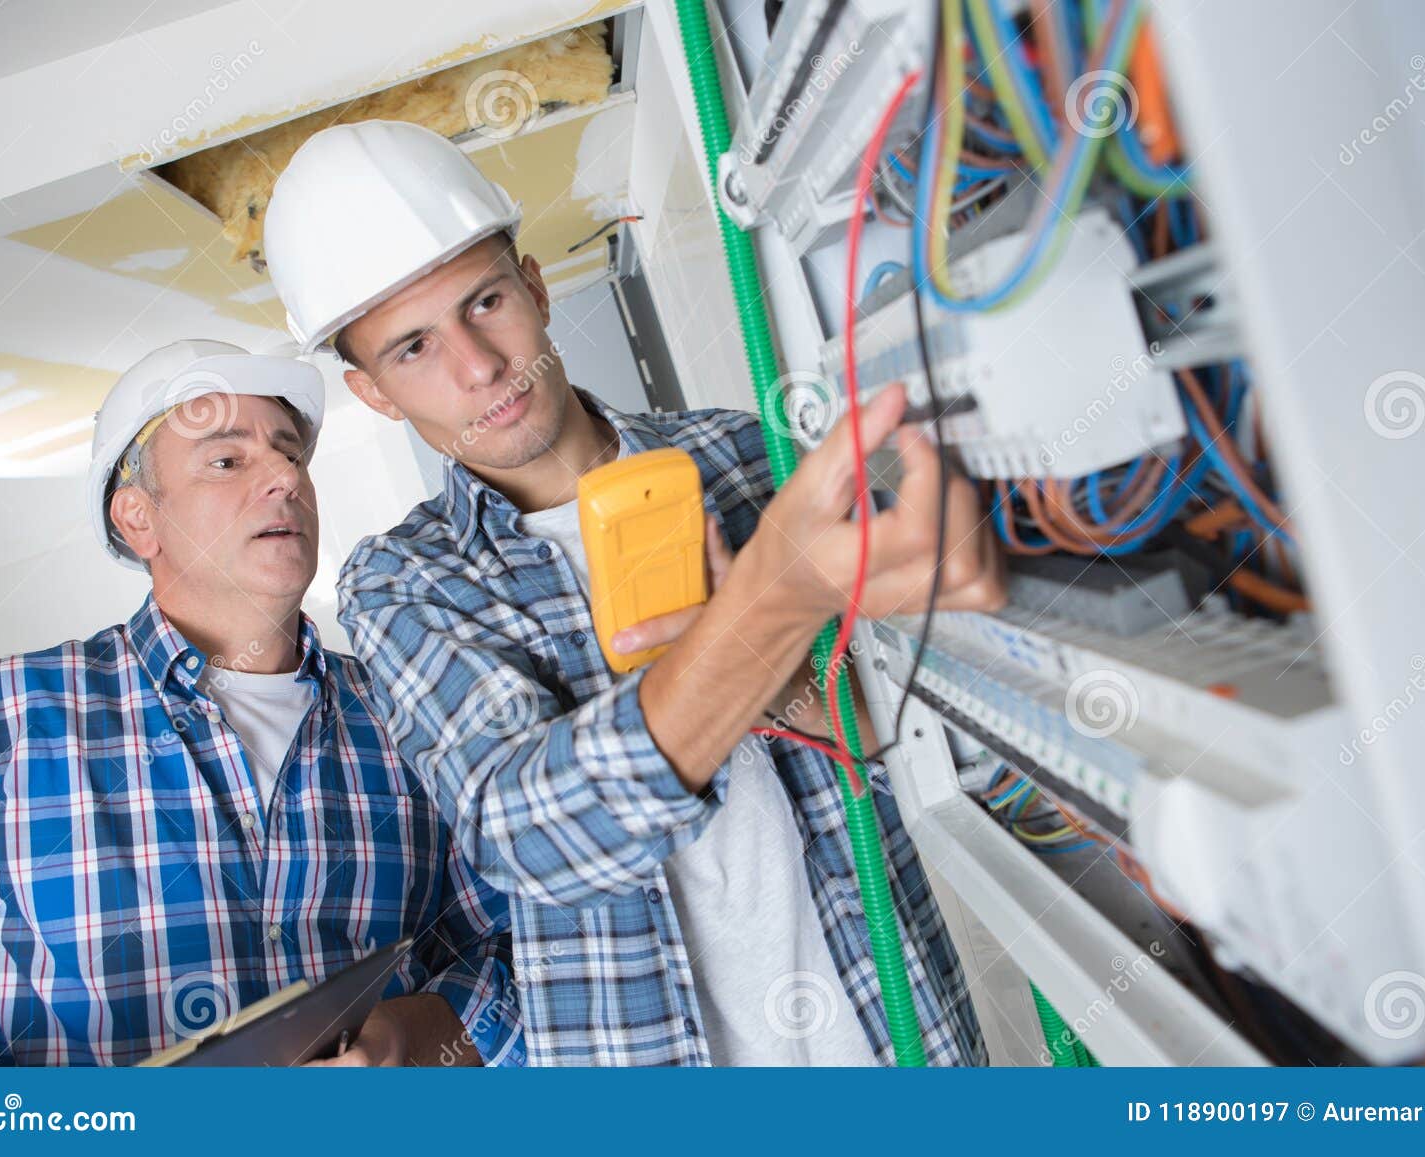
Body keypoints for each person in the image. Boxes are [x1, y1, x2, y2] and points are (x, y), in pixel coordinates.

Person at [263, 120, 1005, 1066]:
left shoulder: (749, 458)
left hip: (901, 1039)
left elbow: (907, 734)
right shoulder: (407, 581)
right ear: (374, 393)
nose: (479, 366)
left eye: (485, 300)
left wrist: (778, 672)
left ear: (535, 288)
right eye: (413, 348)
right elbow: (529, 836)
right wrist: (762, 617)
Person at [0, 340, 520, 1067]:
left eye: (292, 454)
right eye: (228, 460)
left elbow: (519, 955)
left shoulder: (412, 710)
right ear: (139, 519)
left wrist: (408, 1039)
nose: (284, 479)